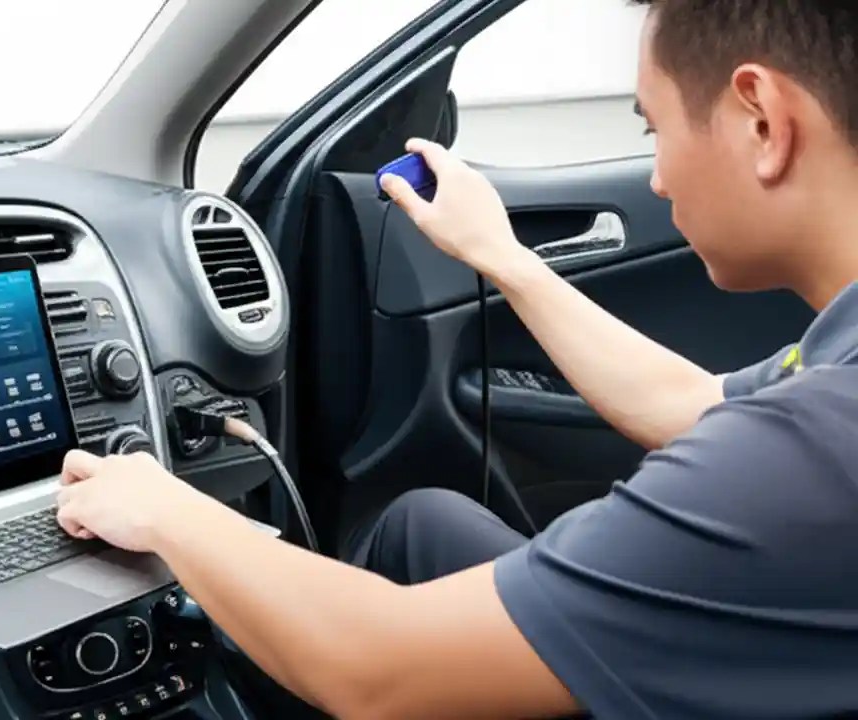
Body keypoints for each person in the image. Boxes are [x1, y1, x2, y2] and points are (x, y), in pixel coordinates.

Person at [55, 1, 858, 717]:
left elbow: (379, 674)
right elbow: (687, 402)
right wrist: (502, 257)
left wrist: (166, 511)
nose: (657, 174)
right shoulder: (831, 380)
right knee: (420, 528)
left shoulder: (809, 450)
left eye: (655, 128)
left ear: (761, 120)